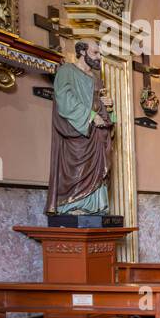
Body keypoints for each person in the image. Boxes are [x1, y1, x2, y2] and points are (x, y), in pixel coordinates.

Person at [47, 41, 115, 216]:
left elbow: (96, 104)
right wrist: (91, 117)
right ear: (82, 51)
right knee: (77, 170)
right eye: (95, 53)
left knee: (97, 169)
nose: (99, 57)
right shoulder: (66, 72)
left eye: (100, 54)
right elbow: (65, 98)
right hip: (77, 135)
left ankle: (94, 207)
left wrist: (107, 107)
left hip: (95, 136)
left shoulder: (96, 78)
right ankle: (72, 206)